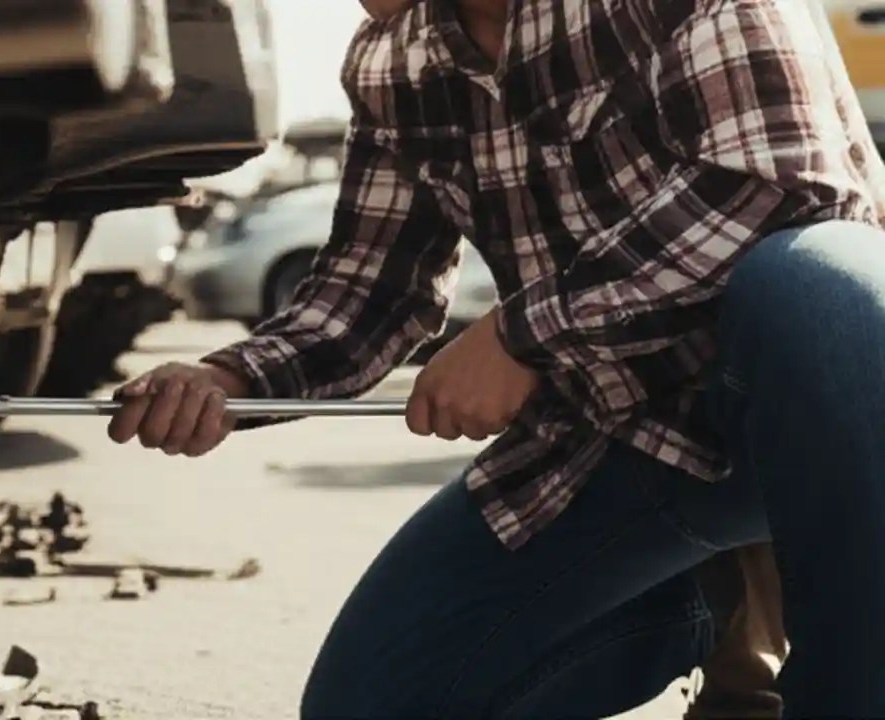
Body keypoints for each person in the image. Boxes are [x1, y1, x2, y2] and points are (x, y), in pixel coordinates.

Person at [106, 0, 885, 716]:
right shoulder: (392, 60)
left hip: (806, 402)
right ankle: (685, 606)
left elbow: (781, 191)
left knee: (819, 281)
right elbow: (369, 288)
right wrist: (227, 378)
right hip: (614, 441)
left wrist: (527, 334)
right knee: (364, 705)